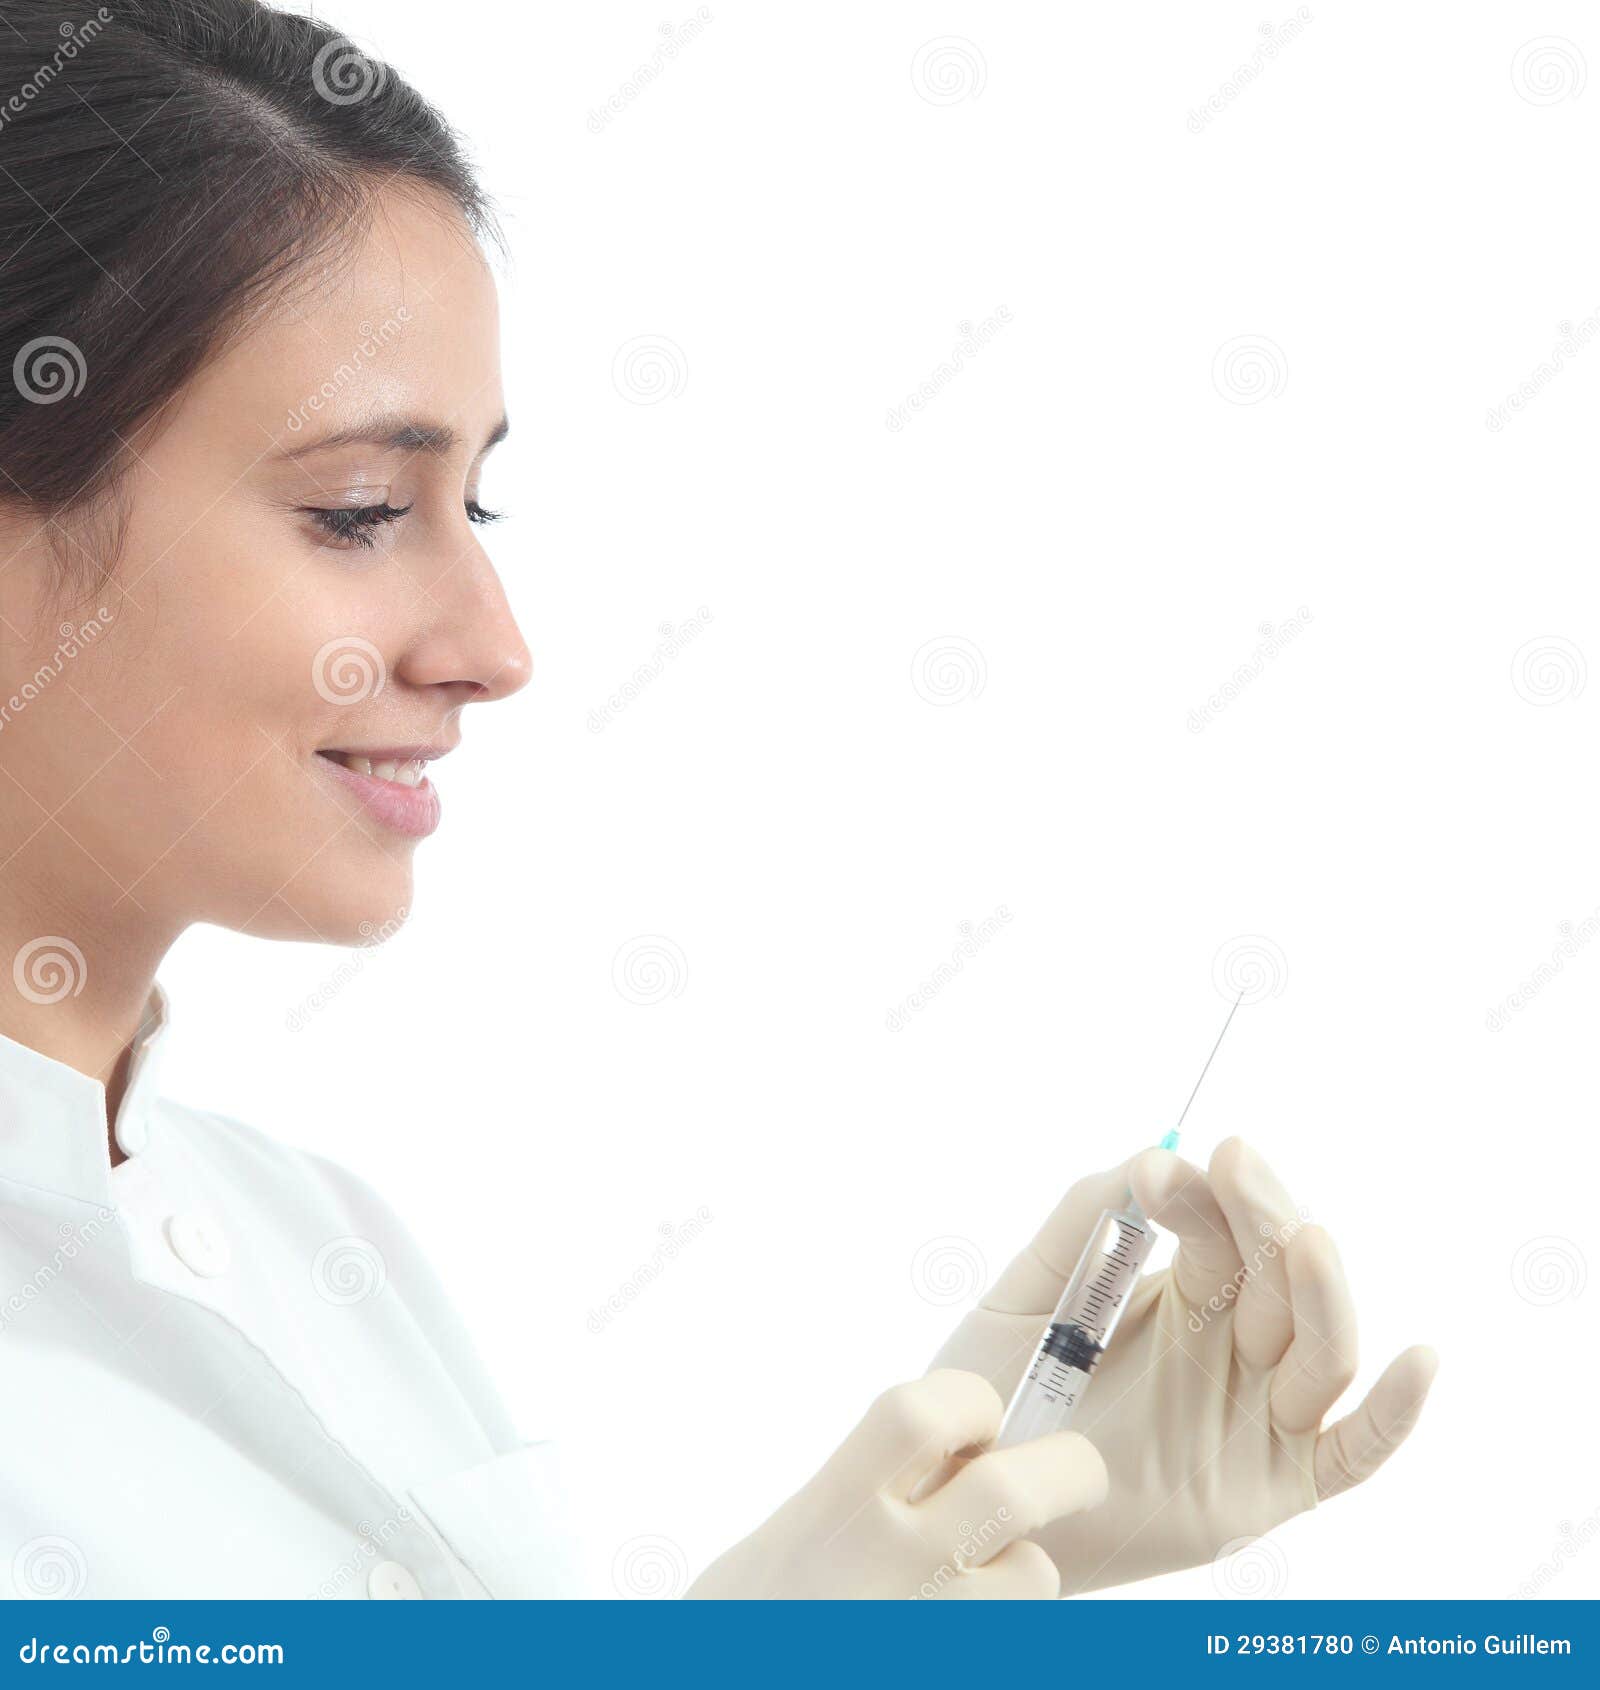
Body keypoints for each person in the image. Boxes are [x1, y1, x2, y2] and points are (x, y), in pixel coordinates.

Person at [0, 0, 1435, 1601]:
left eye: (472, 502)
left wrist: (977, 1536)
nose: (497, 648)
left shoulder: (327, 1245)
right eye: (356, 510)